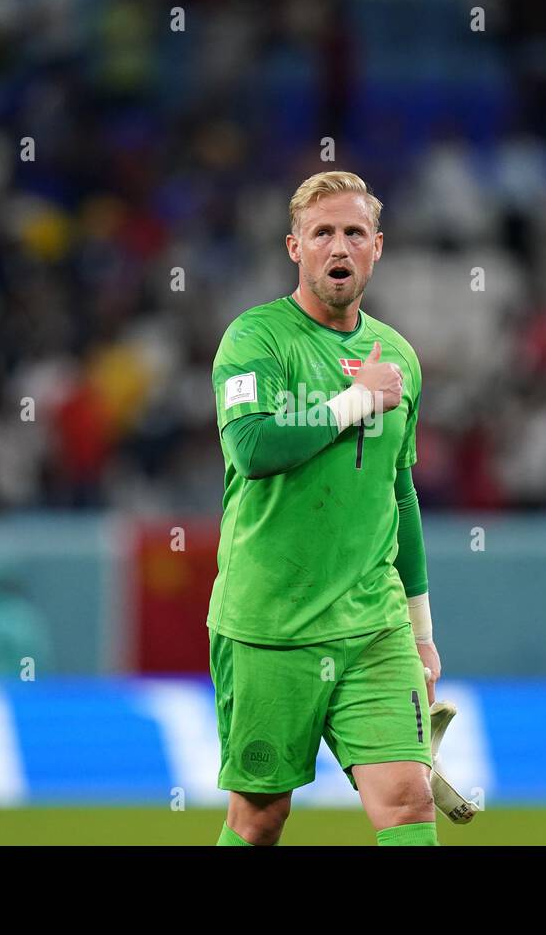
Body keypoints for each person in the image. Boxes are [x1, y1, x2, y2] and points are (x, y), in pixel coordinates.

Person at [208, 171, 439, 846]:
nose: (338, 245)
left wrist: (422, 631)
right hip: (270, 623)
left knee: (406, 799)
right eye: (323, 233)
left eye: (354, 232)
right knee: (259, 817)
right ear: (295, 248)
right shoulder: (255, 341)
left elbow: (402, 493)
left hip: (372, 623)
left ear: (377, 248)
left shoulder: (399, 357)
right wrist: (355, 402)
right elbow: (252, 446)